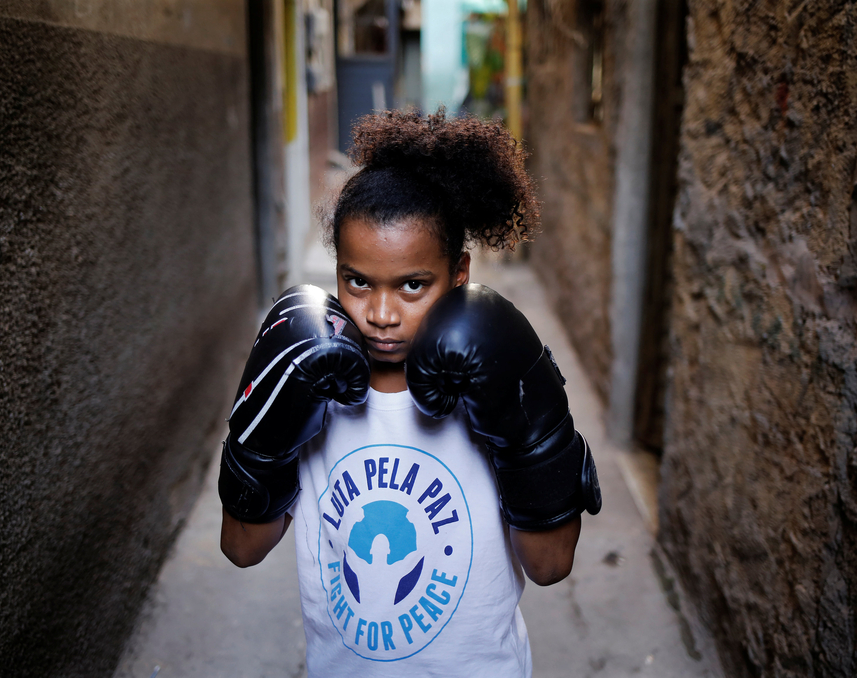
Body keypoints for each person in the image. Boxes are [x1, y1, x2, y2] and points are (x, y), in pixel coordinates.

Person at [217, 109, 600, 677]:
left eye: (413, 285)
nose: (381, 314)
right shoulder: (314, 384)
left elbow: (549, 566)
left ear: (461, 273)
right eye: (358, 281)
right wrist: (259, 441)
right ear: (338, 272)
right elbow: (242, 549)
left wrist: (533, 434)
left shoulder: (491, 377)